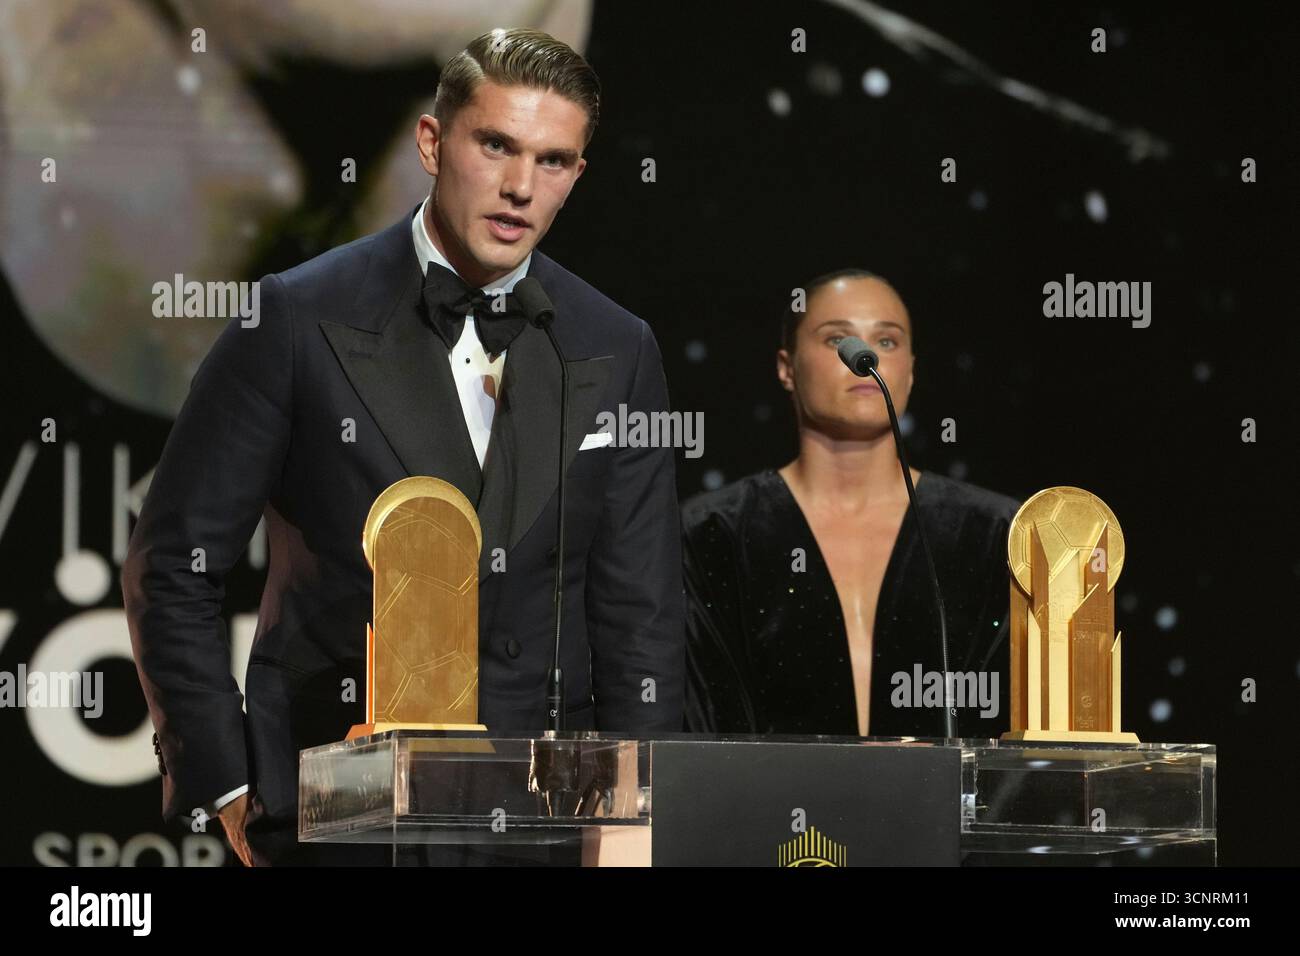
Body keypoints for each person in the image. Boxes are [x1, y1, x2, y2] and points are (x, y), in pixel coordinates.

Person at [123, 28, 685, 866]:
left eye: (554, 161)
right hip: (338, 807)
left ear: (577, 175)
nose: (520, 187)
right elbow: (173, 561)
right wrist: (229, 780)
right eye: (495, 145)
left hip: (542, 820)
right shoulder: (295, 317)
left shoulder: (616, 342)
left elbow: (639, 607)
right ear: (433, 142)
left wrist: (638, 809)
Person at [681, 269, 1018, 740]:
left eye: (887, 341)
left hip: (948, 812)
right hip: (759, 809)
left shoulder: (1000, 534)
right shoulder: (709, 533)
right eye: (838, 338)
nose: (865, 358)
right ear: (786, 366)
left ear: (912, 370)